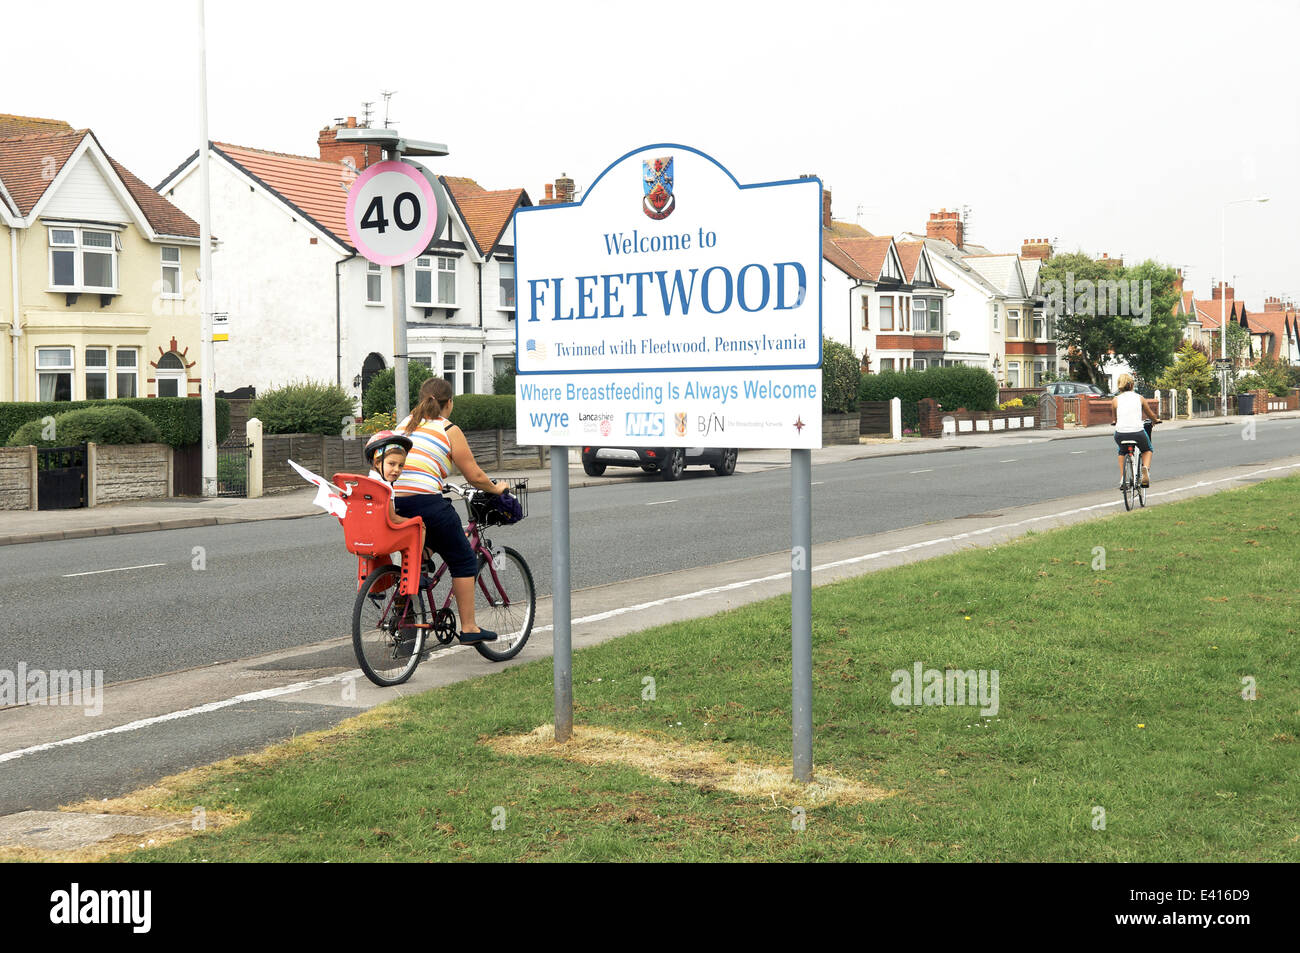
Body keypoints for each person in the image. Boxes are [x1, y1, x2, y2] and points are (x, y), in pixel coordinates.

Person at [393, 378, 509, 644]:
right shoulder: (448, 428)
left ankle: (408, 599)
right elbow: (474, 475)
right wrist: (496, 488)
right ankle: (469, 628)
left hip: (396, 502)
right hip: (425, 502)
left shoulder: (405, 424)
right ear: (449, 403)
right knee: (464, 560)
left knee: (430, 538)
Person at [1109, 373, 1159, 489]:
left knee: (1122, 451)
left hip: (1120, 433)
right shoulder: (1140, 398)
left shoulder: (1115, 400)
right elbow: (1150, 414)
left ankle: (1123, 478)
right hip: (1137, 432)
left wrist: (1115, 421)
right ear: (1132, 385)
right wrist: (1155, 420)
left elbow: (1115, 418)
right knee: (1147, 449)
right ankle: (1145, 470)